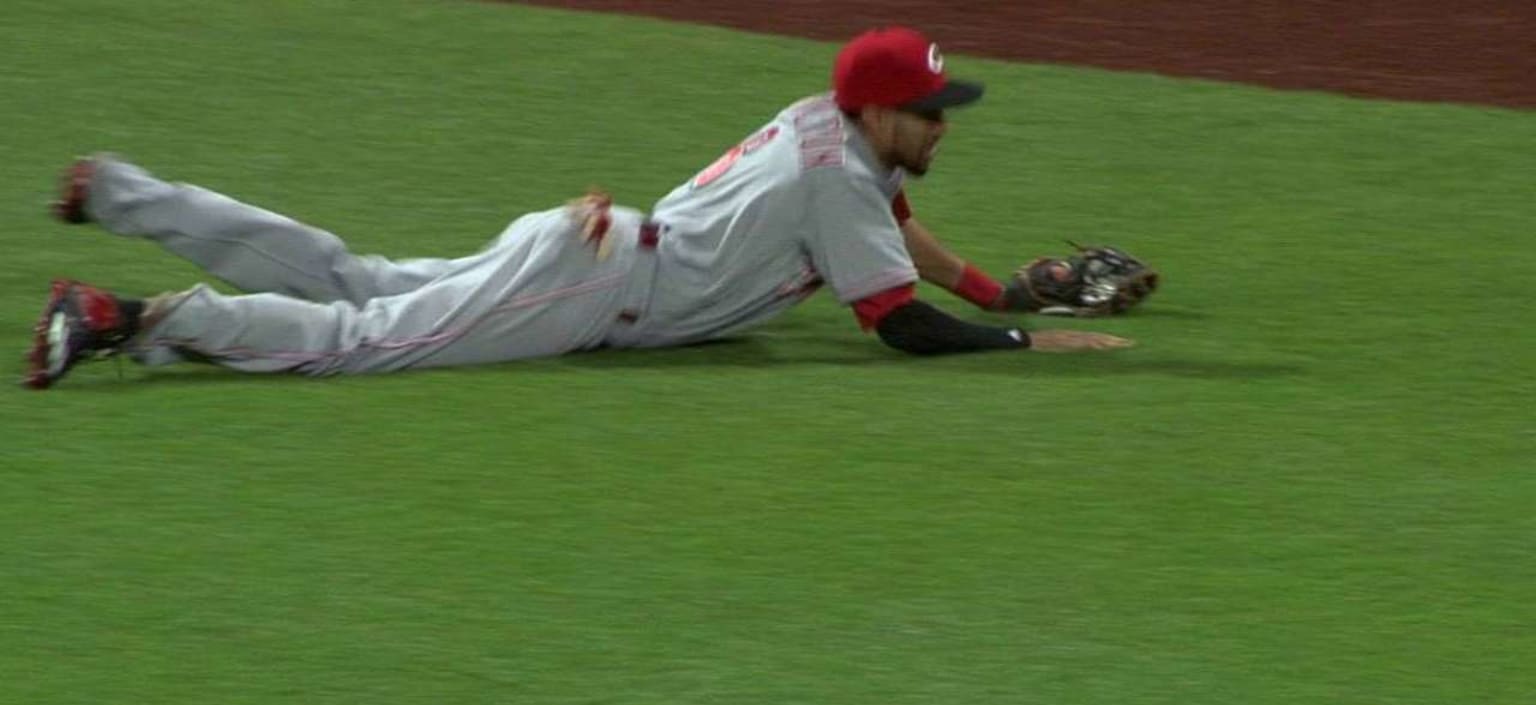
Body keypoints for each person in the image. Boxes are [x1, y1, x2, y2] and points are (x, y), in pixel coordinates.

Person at [24, 26, 1132, 390]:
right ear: (881, 113)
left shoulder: (829, 127)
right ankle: (132, 317)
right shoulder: (837, 176)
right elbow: (897, 322)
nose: (945, 124)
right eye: (931, 110)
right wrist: (1025, 333)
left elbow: (900, 234)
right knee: (358, 336)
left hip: (587, 248)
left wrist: (1002, 282)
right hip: (591, 284)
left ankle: (119, 192)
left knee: (354, 279)